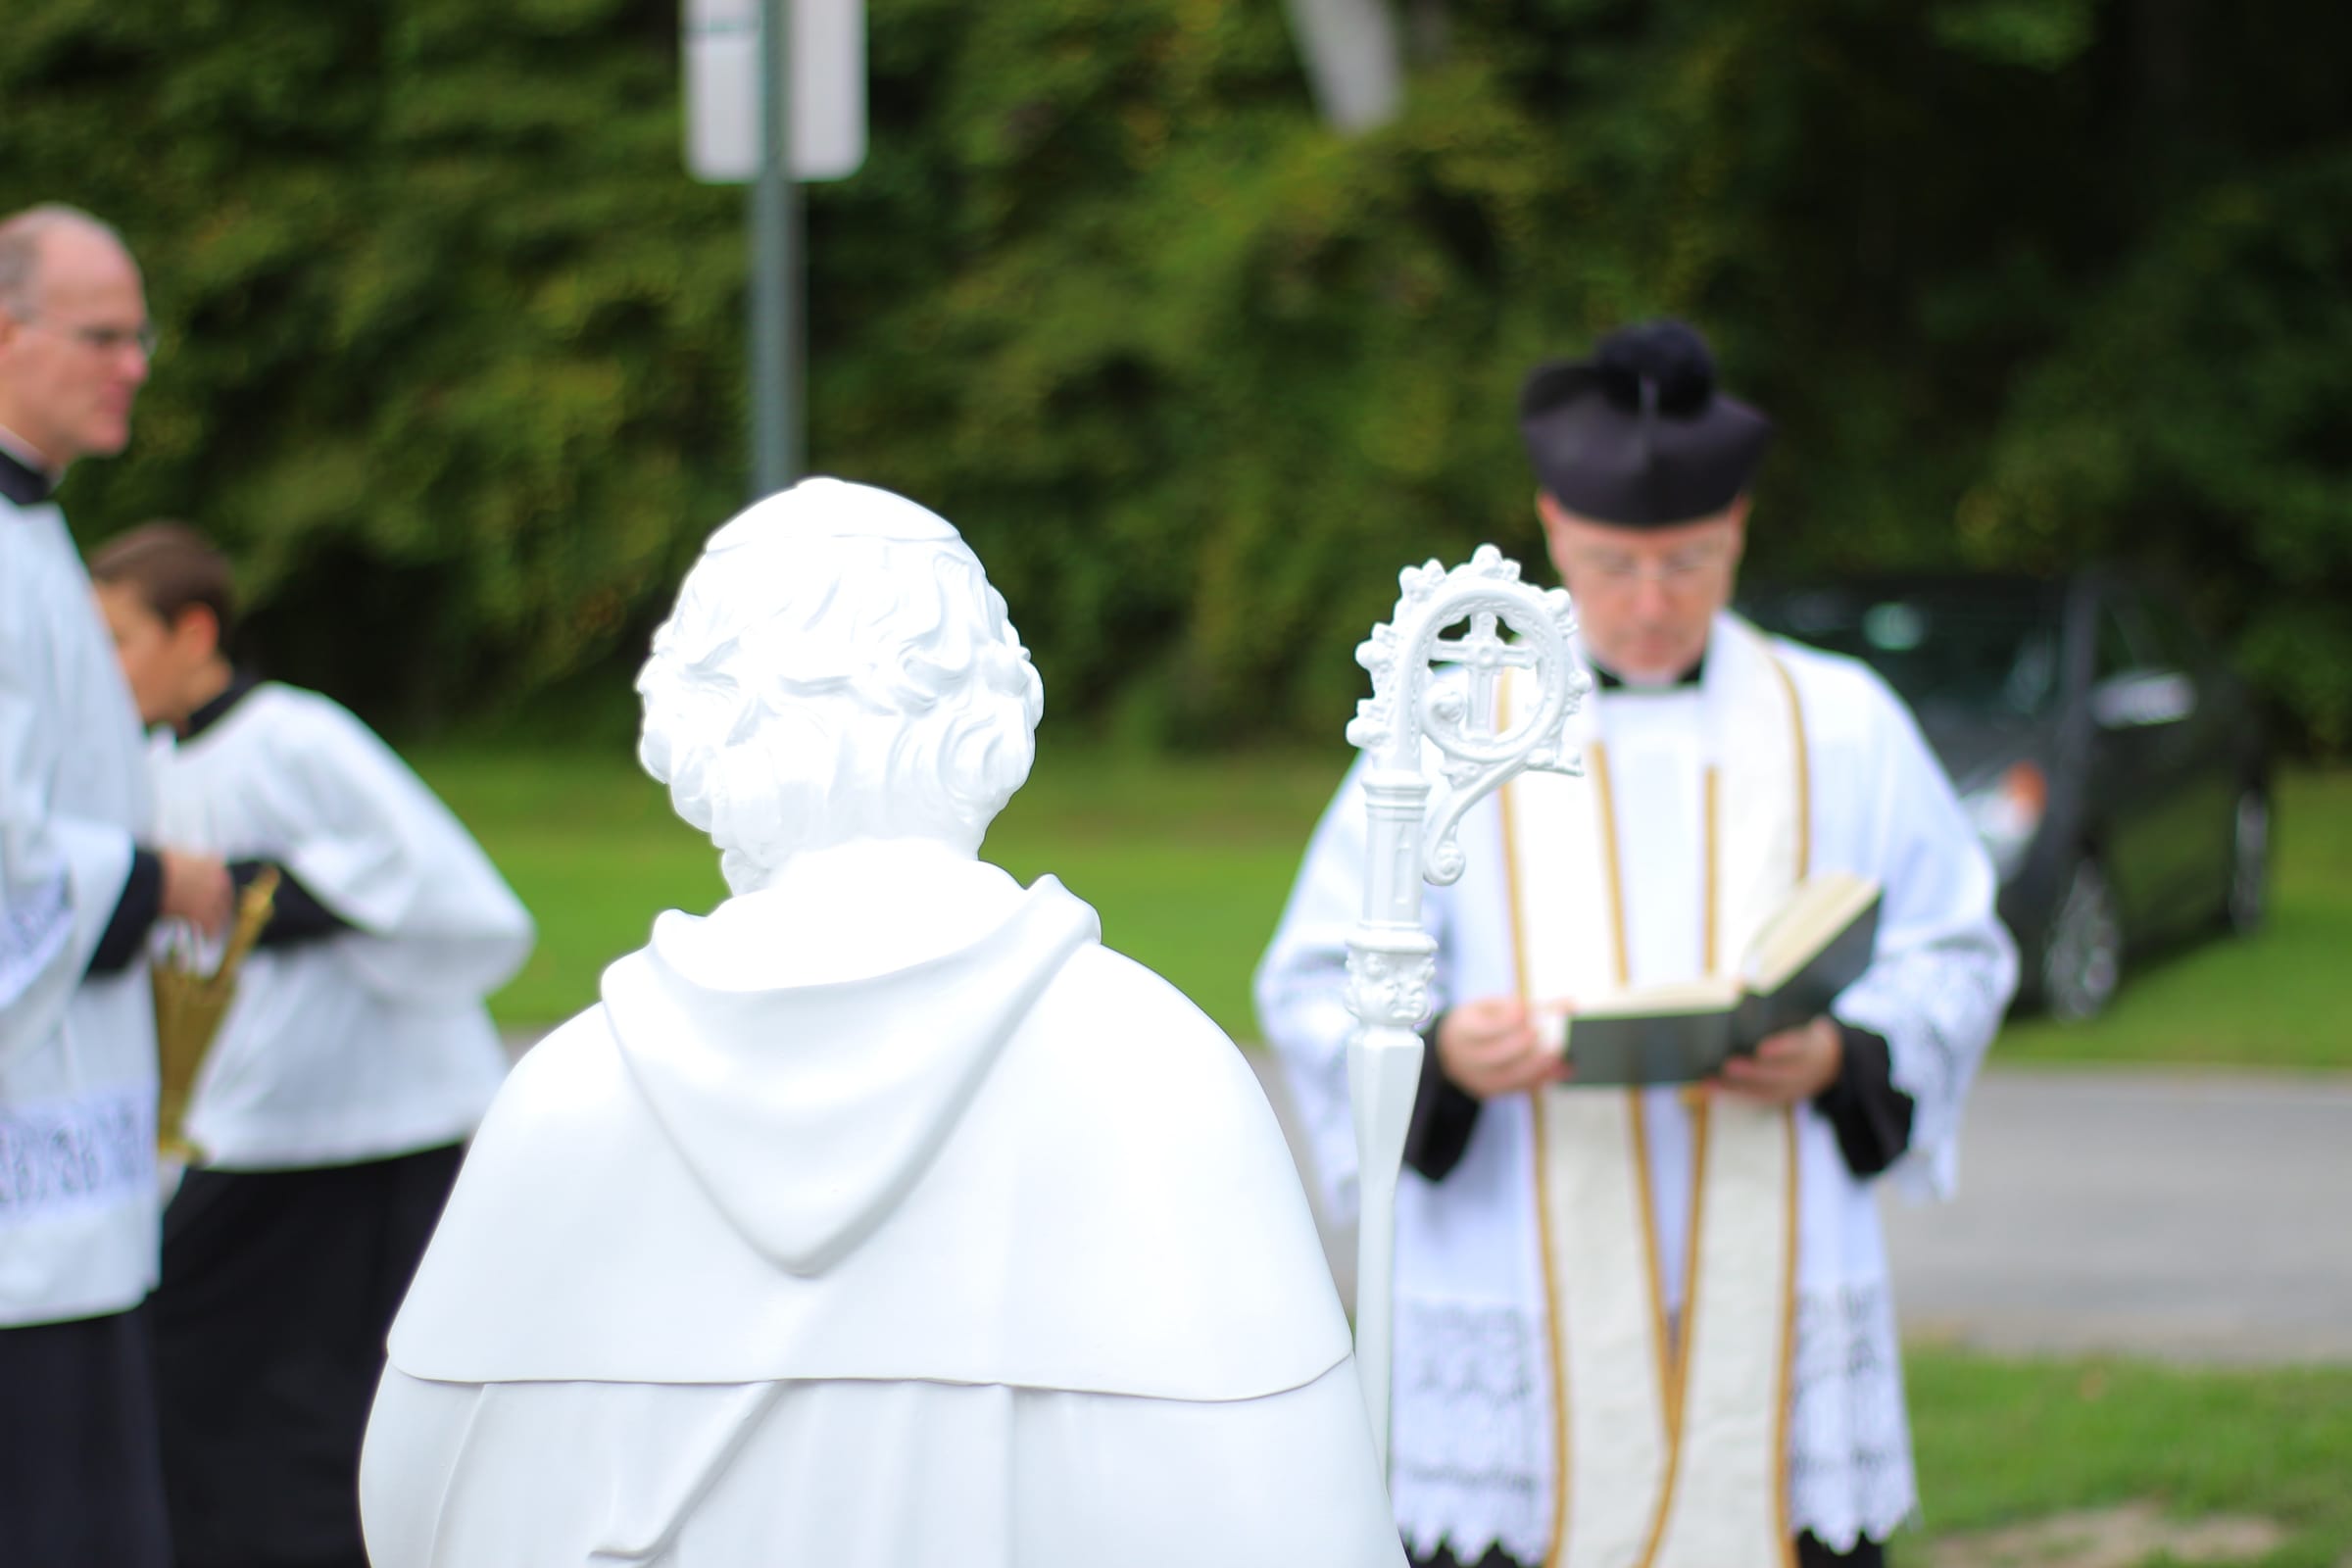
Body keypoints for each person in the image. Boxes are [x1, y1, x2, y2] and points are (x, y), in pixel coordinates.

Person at [357, 478, 1406, 1568]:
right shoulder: (1157, 1069)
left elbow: (417, 1503)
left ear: (696, 730)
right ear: (996, 713)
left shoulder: (569, 1092)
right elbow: (1303, 1520)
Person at [1256, 320, 2019, 1568]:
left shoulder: (1841, 720)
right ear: (1555, 529)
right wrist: (1443, 1048)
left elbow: (1960, 947)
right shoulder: (1450, 725)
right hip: (1515, 1253)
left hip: (1774, 1262)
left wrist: (1844, 1054)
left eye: (1690, 561)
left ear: (1740, 531)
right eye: (1614, 564)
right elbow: (1319, 973)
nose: (1651, 602)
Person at [84, 519, 535, 1568]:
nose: (105, 671)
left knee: (345, 1383)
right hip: (248, 1127)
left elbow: (443, 887)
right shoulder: (152, 759)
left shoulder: (297, 736)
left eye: (120, 640)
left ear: (195, 631)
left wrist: (256, 894)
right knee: (202, 1368)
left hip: (374, 1127)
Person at [0, 202, 228, 1568]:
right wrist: (154, 882)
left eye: (141, 334)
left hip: (62, 1134)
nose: (134, 361)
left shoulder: (35, 535)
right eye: (103, 335)